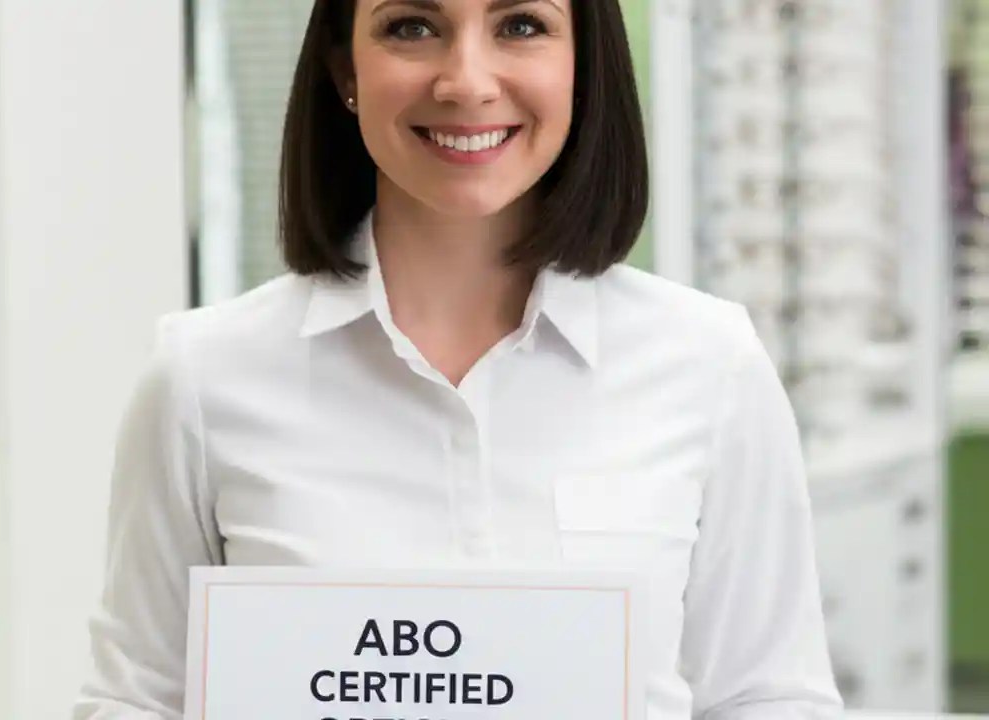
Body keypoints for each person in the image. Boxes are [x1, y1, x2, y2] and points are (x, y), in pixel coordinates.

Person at [73, 0, 845, 718]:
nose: (467, 82)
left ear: (584, 64)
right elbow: (136, 700)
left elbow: (769, 697)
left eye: (520, 26)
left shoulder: (709, 364)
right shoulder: (204, 376)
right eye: (411, 27)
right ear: (346, 71)